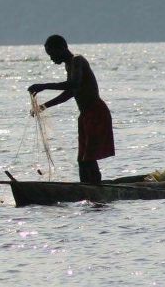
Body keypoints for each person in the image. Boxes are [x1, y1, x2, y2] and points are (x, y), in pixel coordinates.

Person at [27, 35, 114, 183]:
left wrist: (43, 86)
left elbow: (73, 84)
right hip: (86, 115)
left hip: (96, 113)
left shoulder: (77, 60)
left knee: (89, 158)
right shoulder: (69, 65)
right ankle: (86, 189)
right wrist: (43, 106)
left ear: (62, 48)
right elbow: (70, 93)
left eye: (52, 54)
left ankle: (95, 191)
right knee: (82, 159)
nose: (52, 59)